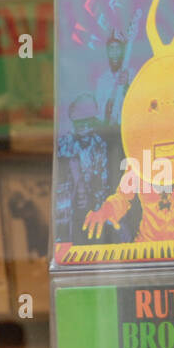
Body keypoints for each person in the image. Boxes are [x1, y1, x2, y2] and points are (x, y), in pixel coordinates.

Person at [54, 93, 110, 245]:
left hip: (90, 213)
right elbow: (59, 188)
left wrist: (98, 210)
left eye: (90, 122)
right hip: (67, 214)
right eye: (81, 122)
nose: (86, 127)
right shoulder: (63, 145)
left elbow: (102, 186)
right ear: (73, 120)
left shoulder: (100, 146)